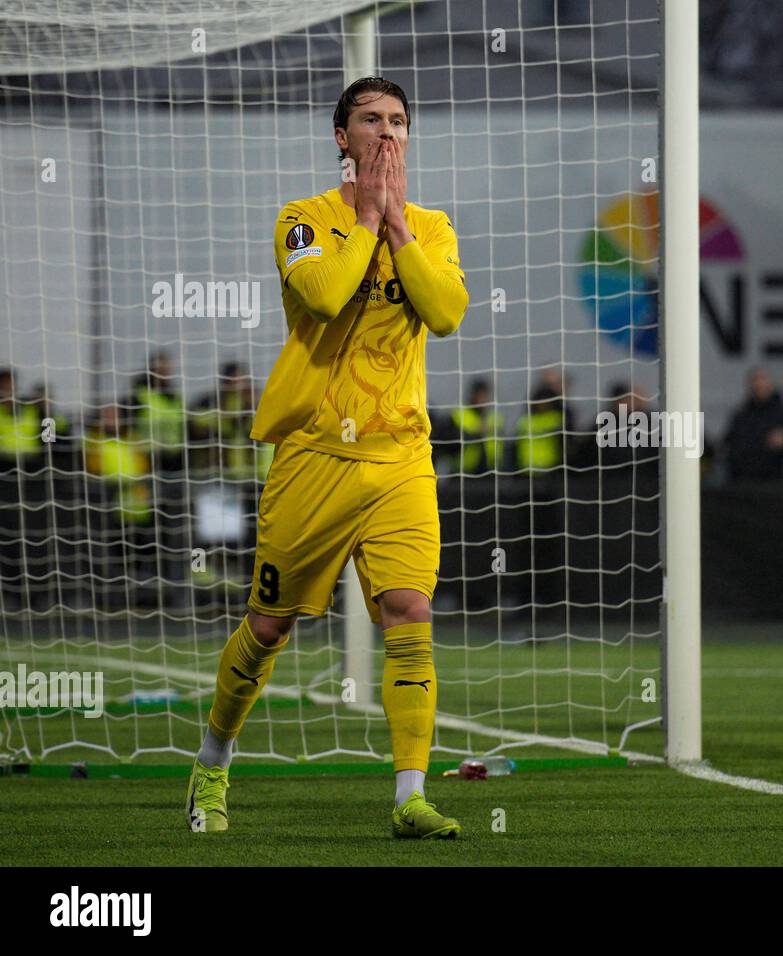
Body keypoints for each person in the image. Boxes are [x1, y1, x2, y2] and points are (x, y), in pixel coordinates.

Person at [185, 76, 469, 837]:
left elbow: (443, 314)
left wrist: (399, 228)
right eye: (371, 121)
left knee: (410, 611)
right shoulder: (302, 220)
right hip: (313, 456)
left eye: (399, 121)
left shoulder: (435, 228)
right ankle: (213, 763)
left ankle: (410, 794)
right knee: (270, 627)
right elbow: (323, 297)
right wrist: (370, 216)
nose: (387, 133)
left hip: (401, 458)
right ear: (341, 137)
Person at [723, 368, 783, 482]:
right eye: (755, 382)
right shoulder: (741, 416)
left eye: (763, 380)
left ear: (770, 384)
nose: (759, 385)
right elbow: (728, 443)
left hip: (774, 480)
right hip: (744, 481)